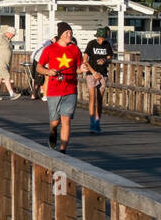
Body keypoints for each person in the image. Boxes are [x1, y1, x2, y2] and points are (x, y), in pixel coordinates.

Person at [37, 21, 85, 153]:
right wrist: (48, 72)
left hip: (70, 89)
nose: (69, 35)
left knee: (66, 119)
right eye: (66, 33)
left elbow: (79, 68)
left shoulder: (75, 49)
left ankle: (63, 150)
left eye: (70, 32)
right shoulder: (50, 49)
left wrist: (83, 68)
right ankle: (53, 131)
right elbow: (39, 67)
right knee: (55, 122)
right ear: (60, 35)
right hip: (54, 90)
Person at [84, 26, 114, 133]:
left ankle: (97, 122)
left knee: (100, 100)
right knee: (92, 98)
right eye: (99, 38)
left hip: (103, 74)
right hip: (91, 73)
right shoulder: (91, 44)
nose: (101, 40)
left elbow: (110, 58)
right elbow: (85, 60)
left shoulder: (107, 45)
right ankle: (92, 123)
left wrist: (104, 60)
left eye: (102, 38)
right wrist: (94, 72)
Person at [0, 26, 19, 100]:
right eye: (13, 34)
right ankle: (12, 94)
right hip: (1, 61)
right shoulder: (0, 38)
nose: (13, 36)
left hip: (6, 63)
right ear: (8, 33)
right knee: (7, 77)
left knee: (0, 78)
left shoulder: (8, 40)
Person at [29, 35, 55, 101]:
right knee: (39, 78)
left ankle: (35, 94)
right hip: (39, 60)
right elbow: (46, 55)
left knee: (36, 78)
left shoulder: (46, 42)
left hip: (36, 58)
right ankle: (36, 94)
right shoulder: (49, 44)